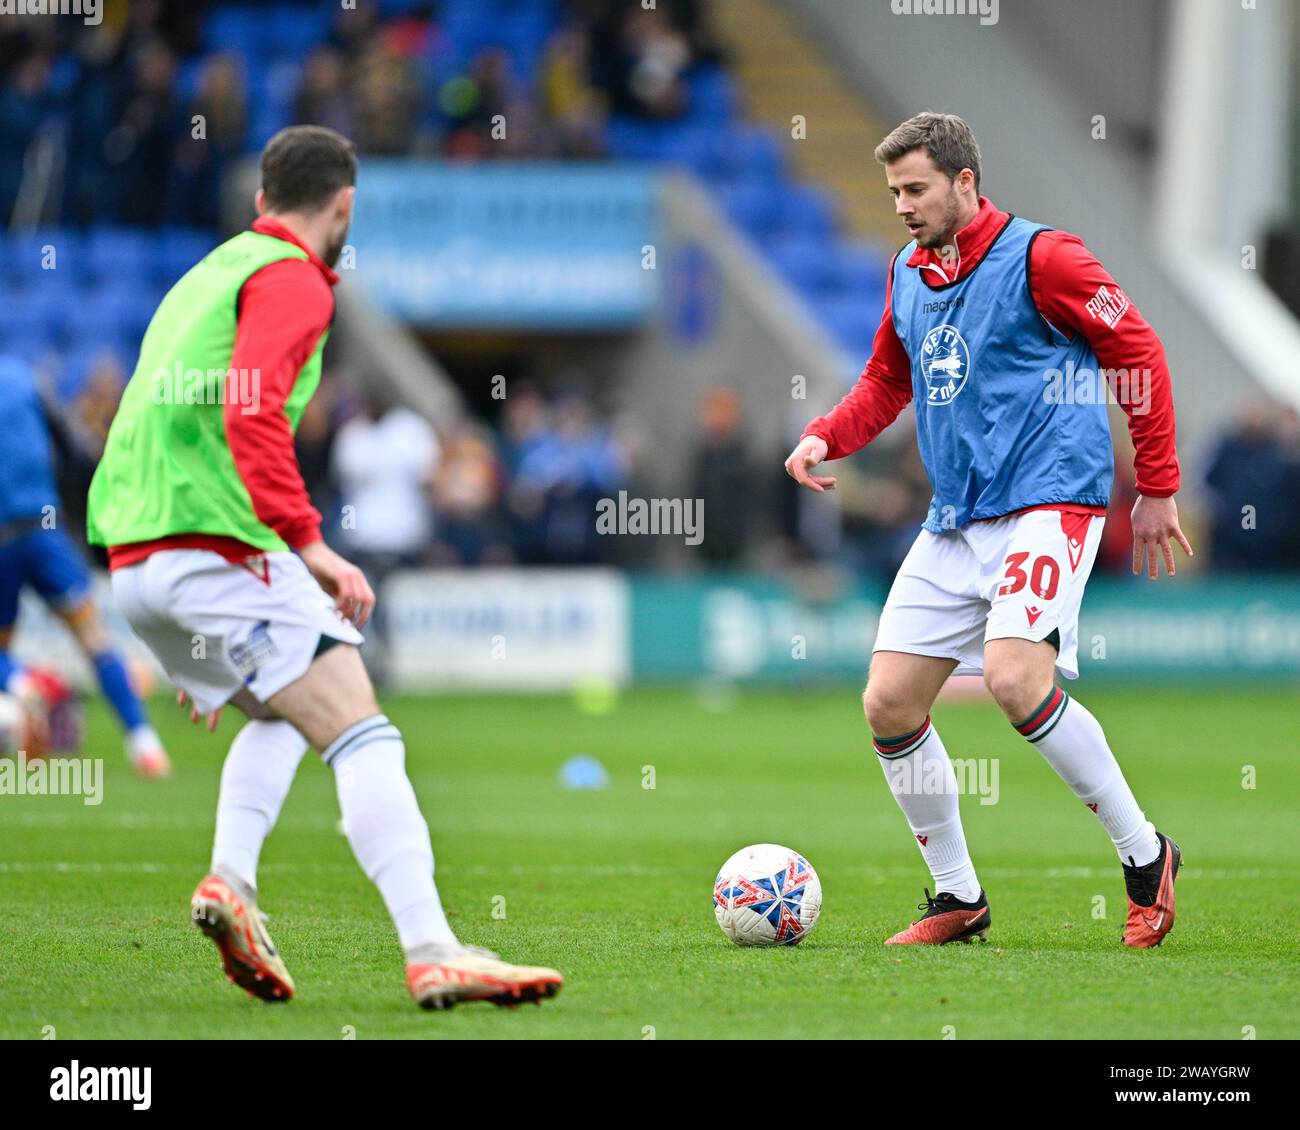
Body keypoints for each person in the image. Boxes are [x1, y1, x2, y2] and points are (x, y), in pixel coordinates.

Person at [86, 125, 562, 1009]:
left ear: (263, 197)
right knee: (362, 728)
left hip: (136, 558)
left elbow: (152, 411)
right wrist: (308, 544)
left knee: (282, 712)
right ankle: (432, 948)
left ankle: (231, 878)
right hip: (215, 546)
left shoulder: (210, 272)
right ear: (344, 205)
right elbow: (254, 412)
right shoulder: (293, 279)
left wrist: (183, 631)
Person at [784, 113, 1191, 949]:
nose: (902, 205)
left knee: (1013, 677)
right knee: (888, 703)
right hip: (956, 517)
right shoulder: (906, 269)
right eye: (894, 190)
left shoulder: (1048, 257)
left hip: (1050, 501)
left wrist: (1156, 485)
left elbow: (1138, 352)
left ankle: (1146, 856)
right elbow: (886, 380)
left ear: (966, 182)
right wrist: (829, 432)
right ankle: (957, 897)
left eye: (916, 188)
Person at [0, 355, 169, 776]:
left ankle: (26, 684)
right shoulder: (23, 377)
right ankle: (144, 744)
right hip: (44, 528)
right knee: (93, 637)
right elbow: (74, 452)